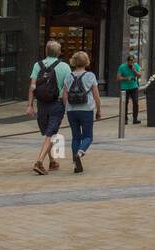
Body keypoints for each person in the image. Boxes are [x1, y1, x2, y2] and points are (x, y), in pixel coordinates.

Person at [28, 40, 72, 175]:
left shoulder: (38, 65)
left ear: (46, 51)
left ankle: (52, 161)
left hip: (41, 103)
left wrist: (30, 105)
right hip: (57, 103)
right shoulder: (64, 67)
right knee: (50, 133)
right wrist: (67, 105)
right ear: (59, 52)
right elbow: (67, 88)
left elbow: (32, 86)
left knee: (48, 132)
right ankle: (39, 162)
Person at [62, 51, 102, 173]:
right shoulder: (90, 76)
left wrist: (67, 109)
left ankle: (75, 164)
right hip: (86, 110)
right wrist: (99, 110)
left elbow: (64, 96)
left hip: (72, 111)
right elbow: (96, 96)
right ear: (86, 62)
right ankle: (80, 153)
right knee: (88, 136)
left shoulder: (68, 76)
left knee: (75, 137)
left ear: (73, 62)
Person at [118, 53, 142, 124]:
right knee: (125, 104)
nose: (131, 63)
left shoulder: (136, 66)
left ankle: (135, 118)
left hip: (134, 87)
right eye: (130, 62)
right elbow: (118, 78)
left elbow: (139, 75)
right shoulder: (122, 67)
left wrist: (134, 70)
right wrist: (126, 78)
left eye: (133, 62)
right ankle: (125, 119)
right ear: (127, 61)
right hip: (124, 88)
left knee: (135, 102)